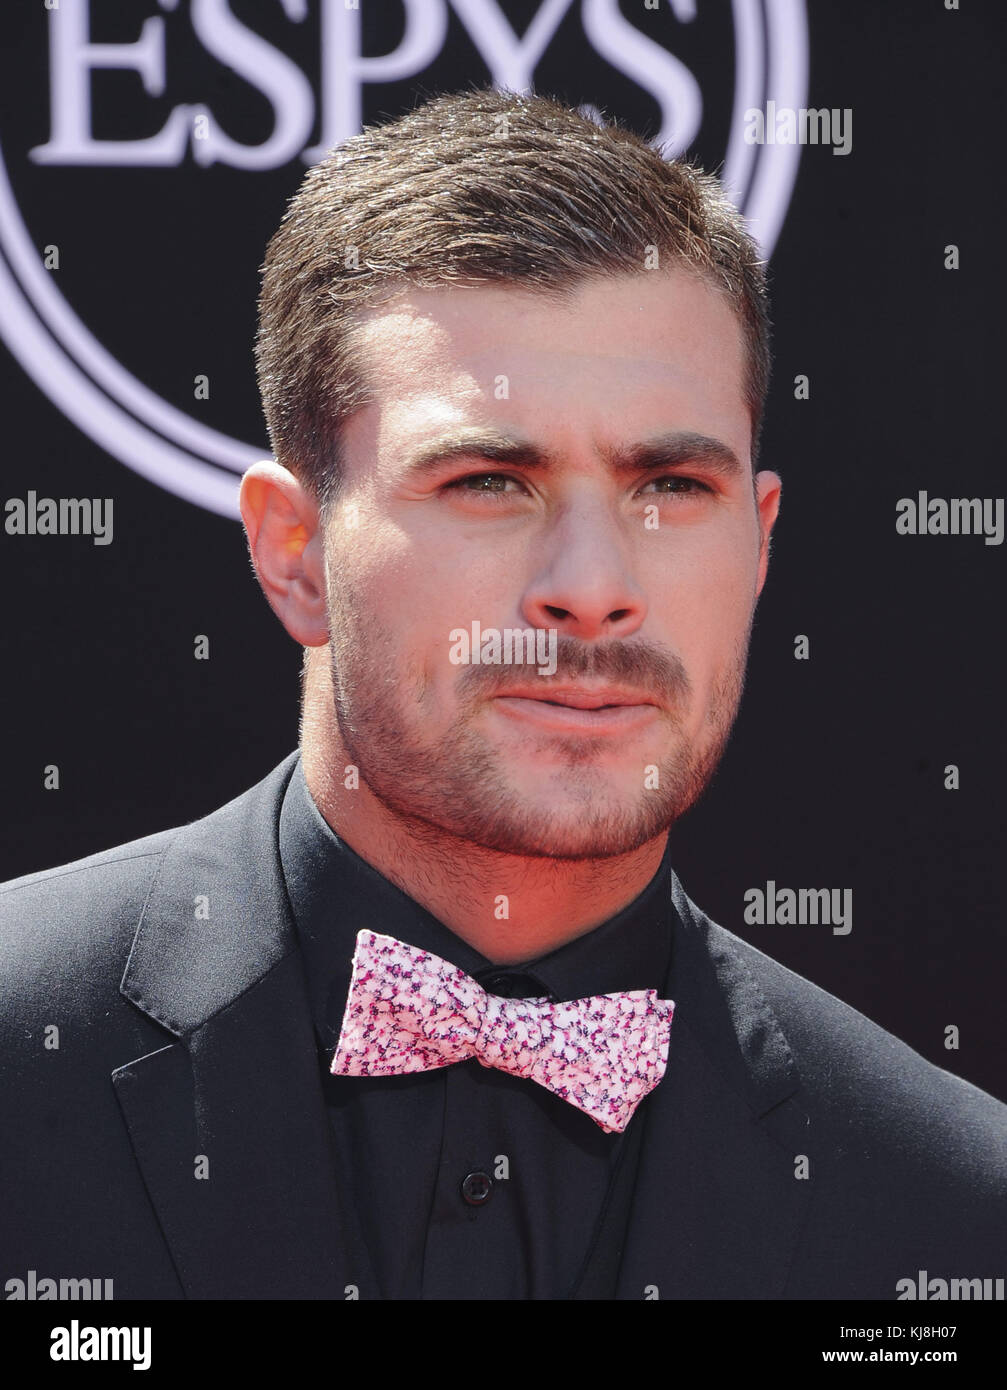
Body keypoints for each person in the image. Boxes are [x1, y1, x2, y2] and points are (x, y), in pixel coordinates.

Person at [1, 87, 1003, 1302]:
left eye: (671, 486)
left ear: (758, 541)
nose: (591, 590)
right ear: (293, 552)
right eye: (488, 480)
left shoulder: (949, 1204)